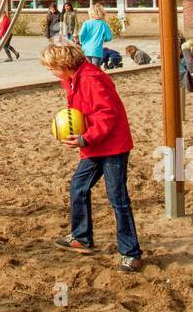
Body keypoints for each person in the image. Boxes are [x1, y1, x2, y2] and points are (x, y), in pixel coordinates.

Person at [43, 41, 144, 273]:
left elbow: (108, 114)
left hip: (112, 145)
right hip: (95, 144)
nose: (49, 71)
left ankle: (131, 253)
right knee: (79, 186)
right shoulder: (73, 80)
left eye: (51, 67)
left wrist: (84, 138)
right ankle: (81, 236)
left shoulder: (90, 79)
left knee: (117, 198)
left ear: (64, 64)